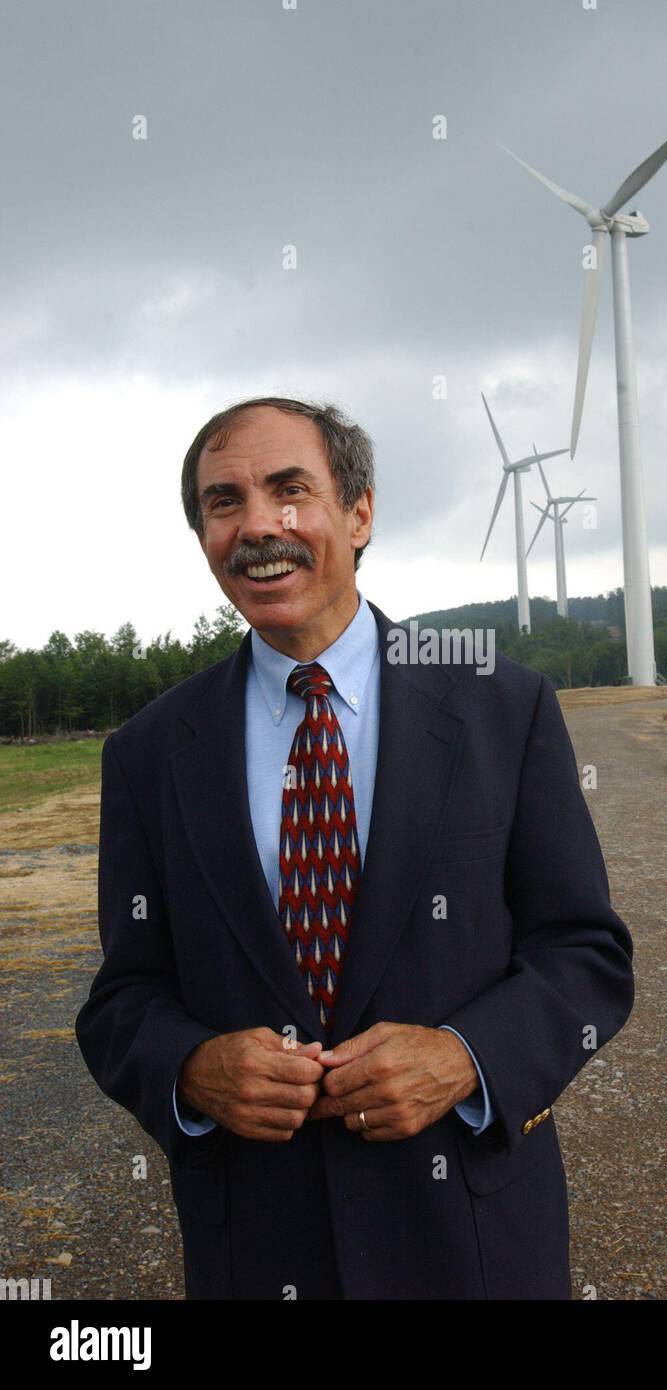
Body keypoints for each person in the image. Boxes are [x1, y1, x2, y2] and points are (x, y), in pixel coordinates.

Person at [75, 395, 635, 1300]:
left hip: (472, 1242)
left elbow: (587, 955)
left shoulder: (503, 705)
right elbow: (123, 999)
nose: (260, 526)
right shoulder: (148, 753)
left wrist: (464, 1056)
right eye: (225, 502)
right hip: (257, 1246)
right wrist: (190, 1067)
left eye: (290, 490)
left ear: (360, 511)